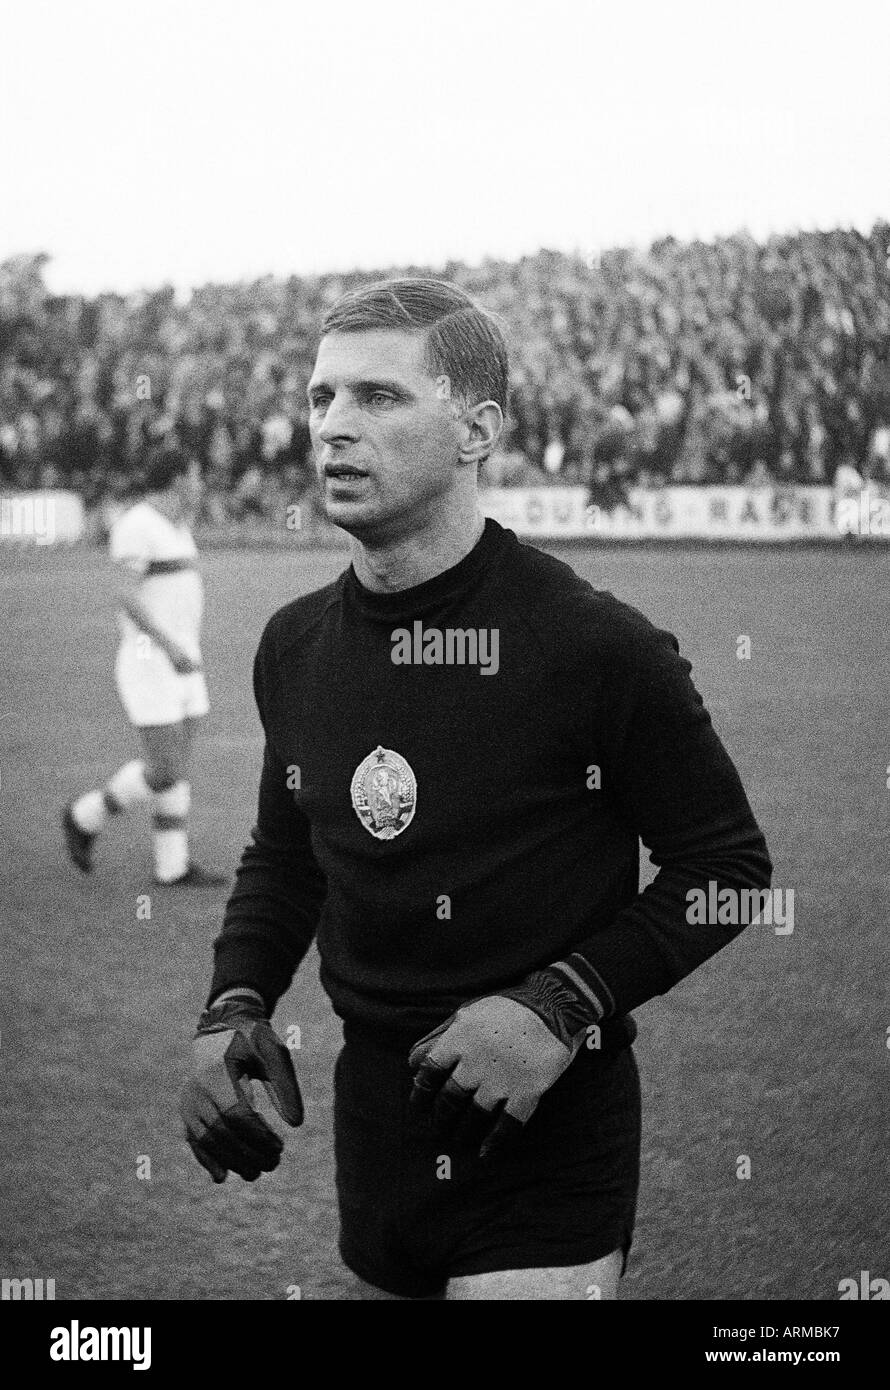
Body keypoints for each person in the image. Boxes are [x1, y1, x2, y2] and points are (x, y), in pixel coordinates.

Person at [179, 279, 772, 1301]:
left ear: (476, 428)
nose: (332, 428)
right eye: (322, 399)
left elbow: (725, 866)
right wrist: (233, 1003)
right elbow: (285, 858)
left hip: (542, 1127)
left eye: (377, 397)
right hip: (373, 1129)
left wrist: (556, 1003)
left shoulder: (593, 643)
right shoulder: (295, 645)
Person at [63, 445, 225, 887]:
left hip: (186, 661)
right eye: (195, 475)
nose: (199, 483)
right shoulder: (137, 526)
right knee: (166, 766)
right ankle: (85, 816)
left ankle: (171, 866)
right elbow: (125, 594)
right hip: (151, 662)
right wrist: (168, 645)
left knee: (177, 762)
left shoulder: (178, 525)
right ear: (176, 480)